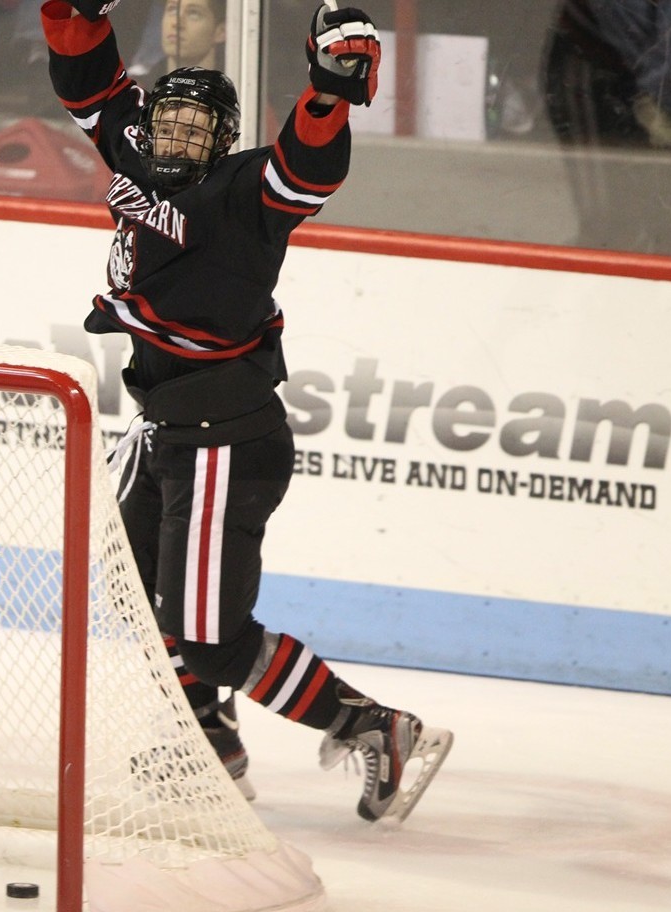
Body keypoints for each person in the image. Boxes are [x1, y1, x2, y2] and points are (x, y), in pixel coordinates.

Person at [42, 0, 453, 822]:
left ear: (224, 142)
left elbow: (307, 167)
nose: (177, 139)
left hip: (223, 443)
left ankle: (372, 725)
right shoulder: (135, 147)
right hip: (166, 426)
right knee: (136, 589)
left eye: (197, 130)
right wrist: (73, 12)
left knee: (211, 641)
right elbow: (89, 83)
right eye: (169, 123)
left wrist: (329, 91)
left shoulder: (244, 196)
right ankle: (209, 742)